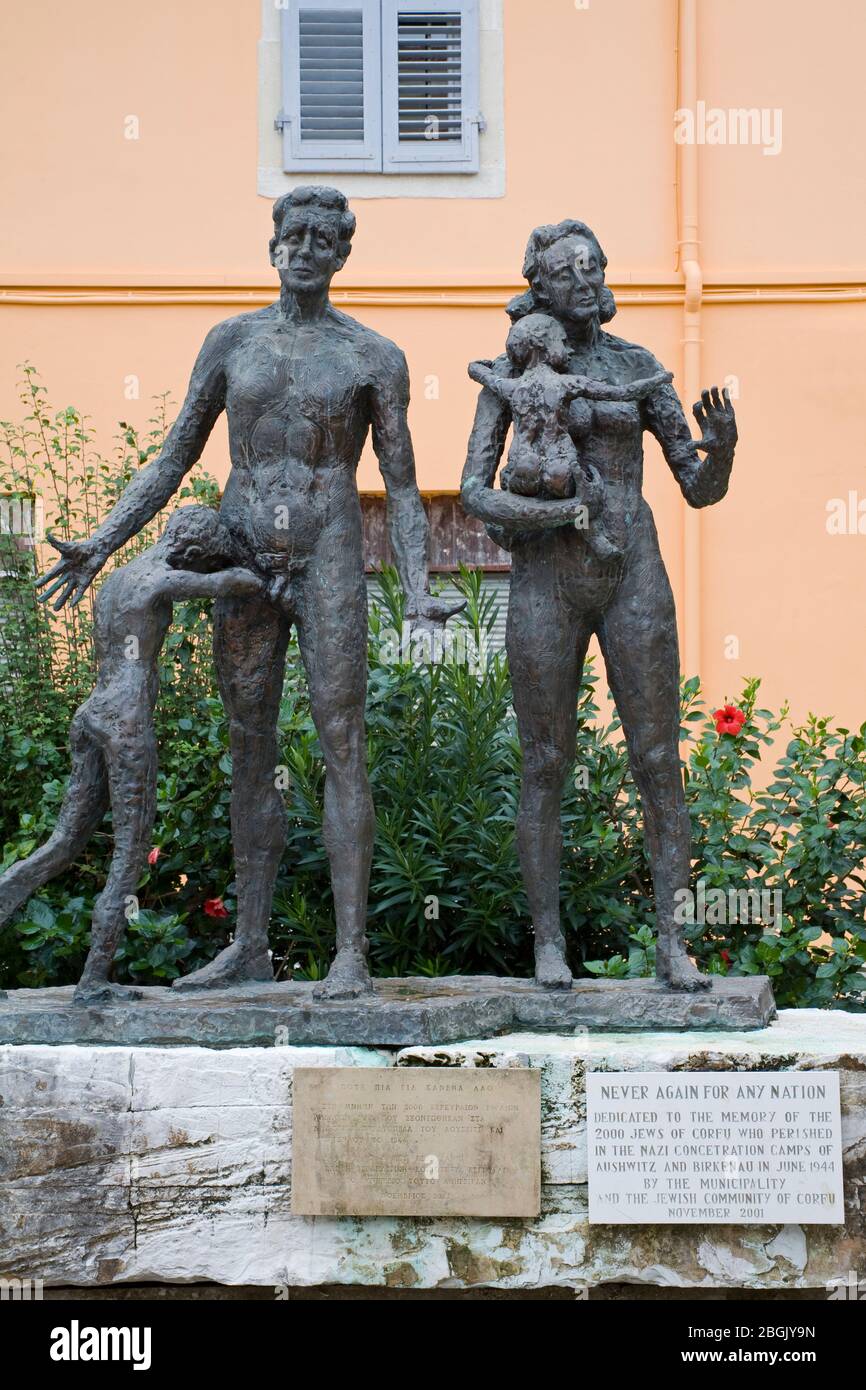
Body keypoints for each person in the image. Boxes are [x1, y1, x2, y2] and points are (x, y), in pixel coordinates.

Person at [35, 186, 461, 1000]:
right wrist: (102, 540)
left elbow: (402, 488)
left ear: (342, 254)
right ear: (273, 244)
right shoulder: (232, 342)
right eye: (291, 234)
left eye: (321, 239)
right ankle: (252, 946)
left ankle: (351, 955)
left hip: (330, 551)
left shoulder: (374, 357)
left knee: (343, 744)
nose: (304, 249)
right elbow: (173, 457)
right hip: (240, 552)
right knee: (250, 748)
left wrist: (416, 589)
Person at [462, 219, 738, 991]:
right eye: (566, 270)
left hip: (633, 573)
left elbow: (695, 486)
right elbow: (478, 493)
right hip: (548, 578)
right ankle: (548, 944)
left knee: (658, 760)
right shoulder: (518, 365)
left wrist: (725, 451)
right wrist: (557, 517)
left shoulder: (641, 368)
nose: (586, 278)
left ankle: (671, 945)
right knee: (546, 762)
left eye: (595, 265)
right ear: (539, 287)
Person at [0, 507, 265, 1002]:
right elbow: (236, 583)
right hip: (125, 722)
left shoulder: (121, 577)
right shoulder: (161, 581)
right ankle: (94, 981)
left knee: (62, 843)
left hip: (91, 713)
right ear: (191, 554)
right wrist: (259, 572)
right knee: (127, 856)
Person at [468, 311, 671, 561]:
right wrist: (657, 381)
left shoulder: (511, 387)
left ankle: (512, 527)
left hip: (525, 461)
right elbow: (620, 393)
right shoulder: (565, 384)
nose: (570, 350)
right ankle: (595, 537)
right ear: (542, 344)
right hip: (558, 461)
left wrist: (478, 366)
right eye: (563, 342)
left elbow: (480, 374)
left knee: (514, 490)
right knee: (583, 496)